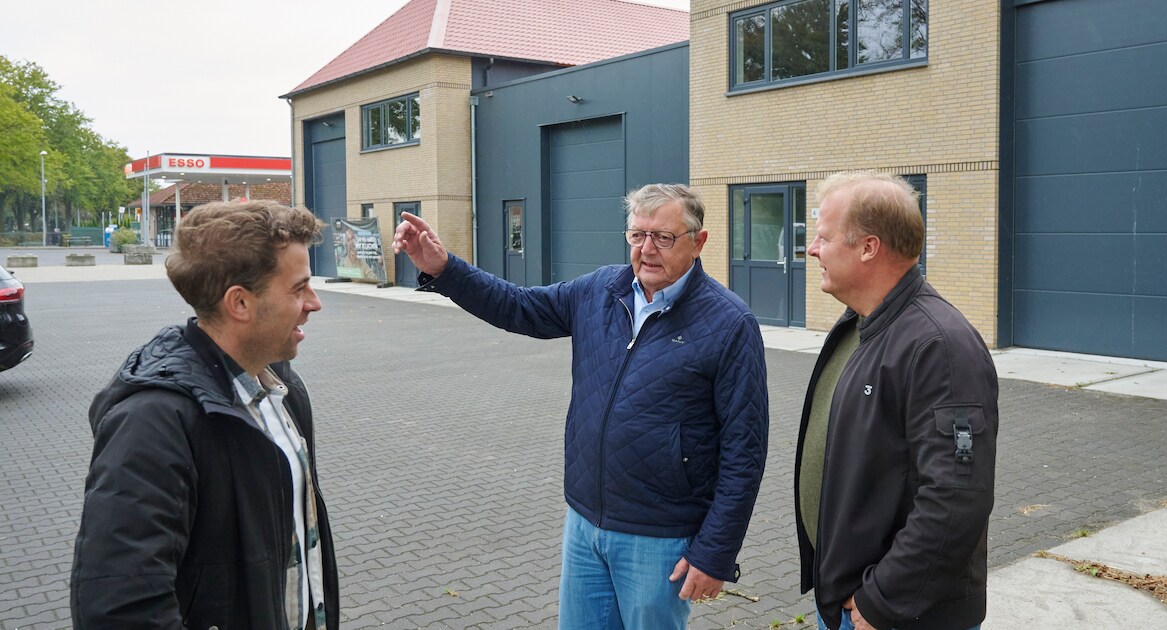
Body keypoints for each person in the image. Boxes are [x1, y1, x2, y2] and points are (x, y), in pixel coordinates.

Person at [393, 184, 769, 629]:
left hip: (659, 537)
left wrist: (716, 554)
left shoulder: (729, 323)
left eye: (663, 238)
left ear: (698, 241)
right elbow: (519, 306)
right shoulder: (599, 291)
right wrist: (445, 269)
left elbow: (744, 451)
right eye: (636, 235)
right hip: (585, 523)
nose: (647, 250)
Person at [70, 200, 339, 629]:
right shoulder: (152, 424)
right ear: (240, 303)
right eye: (298, 288)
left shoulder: (281, 390)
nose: (314, 302)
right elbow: (121, 606)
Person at [795, 171, 998, 630]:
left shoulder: (939, 346)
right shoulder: (861, 326)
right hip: (854, 597)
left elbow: (956, 497)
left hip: (899, 613)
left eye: (823, 238)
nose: (812, 250)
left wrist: (880, 601)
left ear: (868, 247)